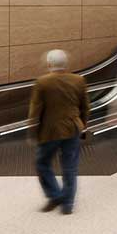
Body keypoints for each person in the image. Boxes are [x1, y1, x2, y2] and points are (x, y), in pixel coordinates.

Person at [28, 50, 90, 215]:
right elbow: (85, 107)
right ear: (66, 64)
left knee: (42, 163)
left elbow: (35, 111)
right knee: (70, 167)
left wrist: (32, 132)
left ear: (49, 64)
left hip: (50, 131)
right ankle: (67, 204)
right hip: (73, 128)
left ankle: (55, 196)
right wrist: (82, 125)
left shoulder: (42, 82)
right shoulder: (79, 80)